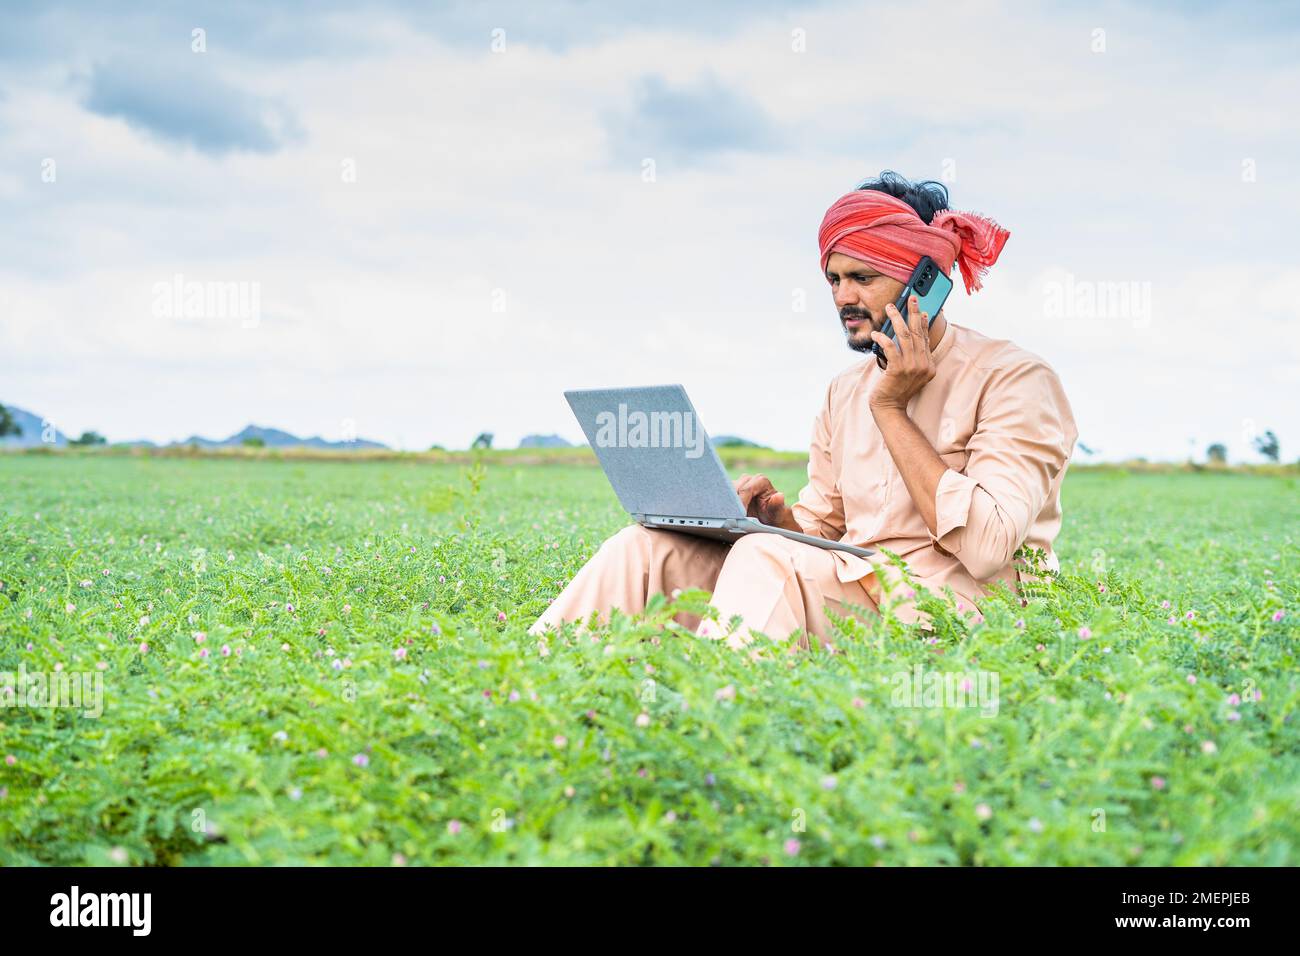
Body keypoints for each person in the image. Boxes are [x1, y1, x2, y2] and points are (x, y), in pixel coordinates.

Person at [528, 171, 1078, 650]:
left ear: (923, 282)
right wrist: (773, 522)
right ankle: (526, 695)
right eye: (834, 279)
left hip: (956, 617)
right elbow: (827, 530)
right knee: (646, 549)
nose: (842, 297)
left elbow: (988, 548)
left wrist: (890, 408)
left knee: (763, 560)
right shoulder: (844, 390)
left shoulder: (1016, 379)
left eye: (863, 278)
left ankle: (713, 721)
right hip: (858, 592)